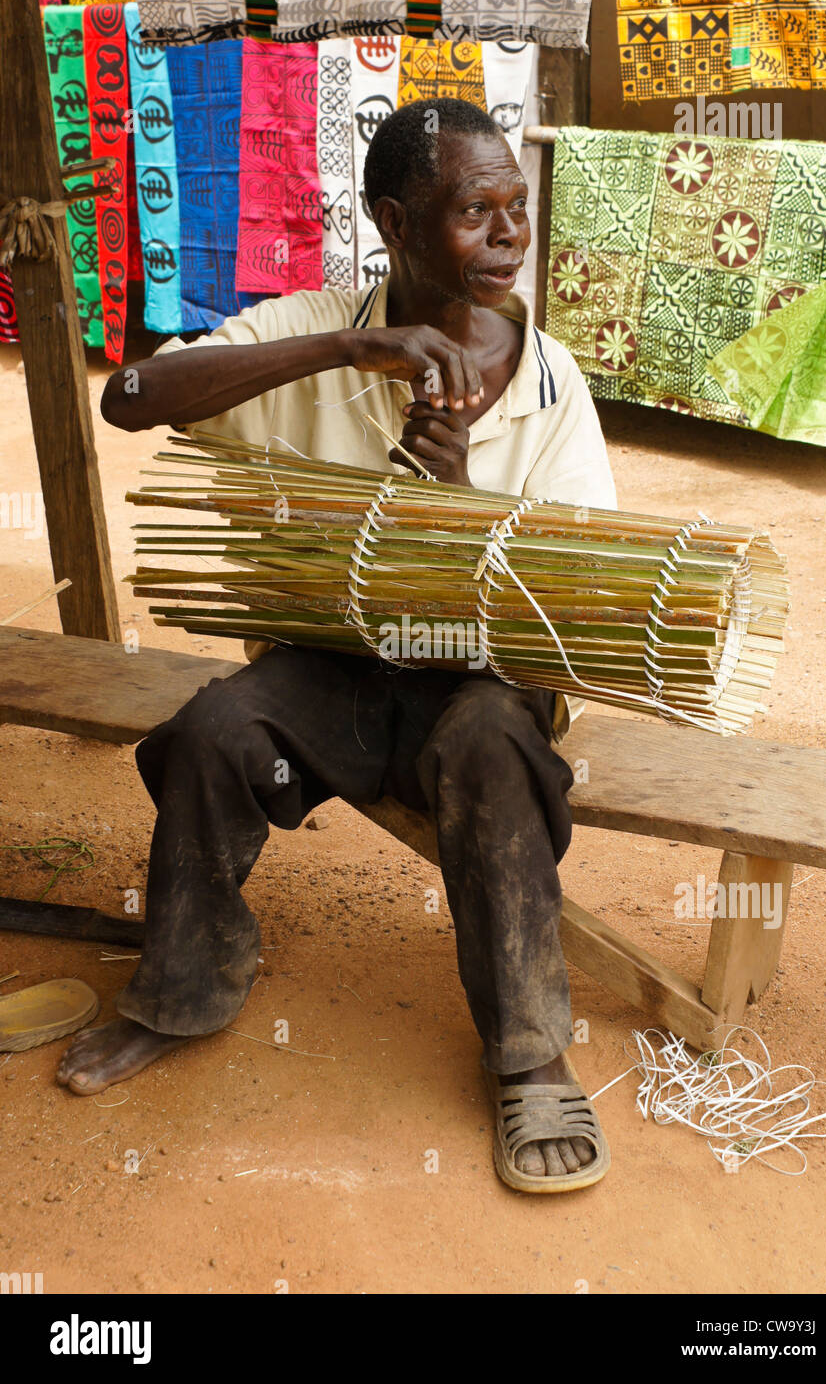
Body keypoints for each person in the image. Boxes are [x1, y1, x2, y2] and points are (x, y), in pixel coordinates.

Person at [58, 97, 618, 1194]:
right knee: (221, 727)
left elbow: (564, 619)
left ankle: (528, 1048)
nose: (510, 235)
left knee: (490, 748)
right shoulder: (307, 330)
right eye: (474, 211)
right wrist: (352, 346)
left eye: (518, 208)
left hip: (481, 678)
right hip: (339, 668)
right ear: (395, 223)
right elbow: (129, 398)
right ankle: (183, 989)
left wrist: (449, 507)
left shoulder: (551, 389)